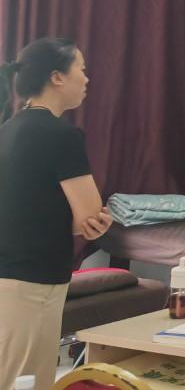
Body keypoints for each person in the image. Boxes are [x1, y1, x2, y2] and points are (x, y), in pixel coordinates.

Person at [0, 39, 112, 390]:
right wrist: (97, 222)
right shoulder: (61, 135)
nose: (87, 78)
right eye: (81, 69)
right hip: (33, 281)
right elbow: (89, 217)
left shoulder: (8, 130)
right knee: (27, 381)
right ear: (57, 77)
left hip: (11, 275)